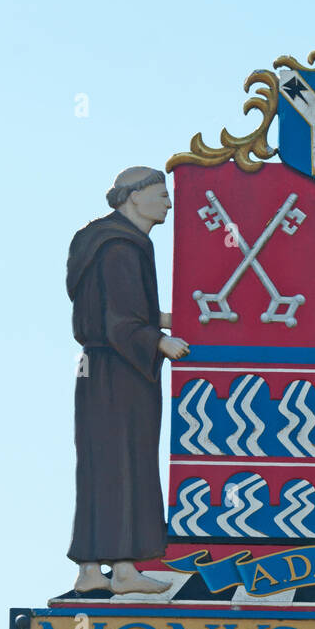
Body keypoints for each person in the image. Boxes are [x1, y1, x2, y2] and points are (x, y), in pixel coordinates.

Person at [65, 167, 190, 595]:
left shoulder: (100, 240)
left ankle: (89, 571)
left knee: (102, 465)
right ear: (133, 197)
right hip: (121, 368)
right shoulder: (121, 246)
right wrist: (158, 341)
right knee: (124, 463)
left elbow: (114, 307)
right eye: (161, 194)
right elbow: (119, 319)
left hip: (98, 368)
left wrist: (163, 320)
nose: (169, 204)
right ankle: (121, 569)